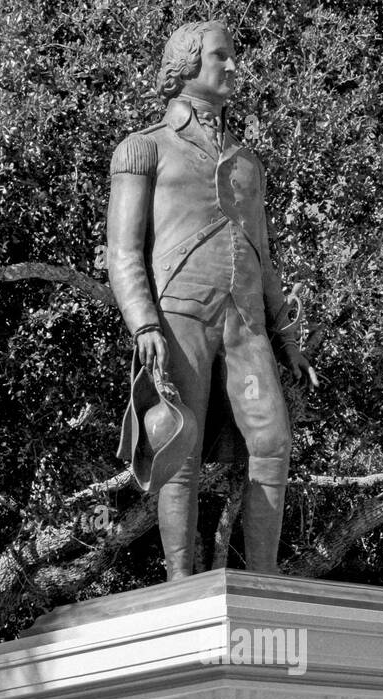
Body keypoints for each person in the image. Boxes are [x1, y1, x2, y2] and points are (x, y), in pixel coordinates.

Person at [107, 19, 317, 580]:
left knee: (272, 438)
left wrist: (288, 337)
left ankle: (266, 579)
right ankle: (179, 580)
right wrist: (143, 323)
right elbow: (122, 253)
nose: (232, 67)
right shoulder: (142, 148)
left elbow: (265, 259)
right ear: (187, 63)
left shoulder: (248, 163)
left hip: (245, 320)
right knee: (181, 438)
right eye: (221, 57)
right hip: (179, 313)